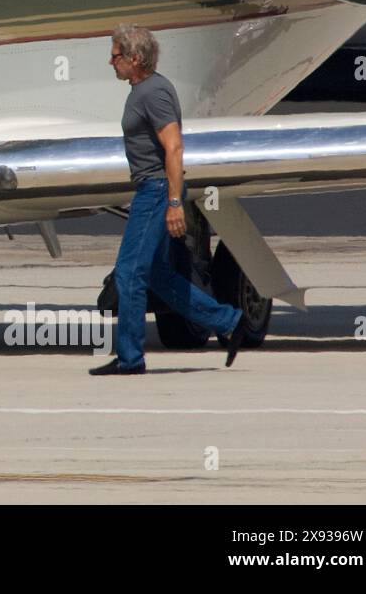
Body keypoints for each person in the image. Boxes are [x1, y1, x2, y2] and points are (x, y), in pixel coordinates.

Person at [90, 24, 251, 375]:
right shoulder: (143, 90)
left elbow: (174, 147)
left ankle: (130, 358)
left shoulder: (154, 92)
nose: (110, 62)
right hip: (152, 190)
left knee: (130, 275)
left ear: (135, 58)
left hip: (156, 191)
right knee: (158, 276)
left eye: (116, 55)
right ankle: (229, 320)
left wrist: (175, 203)